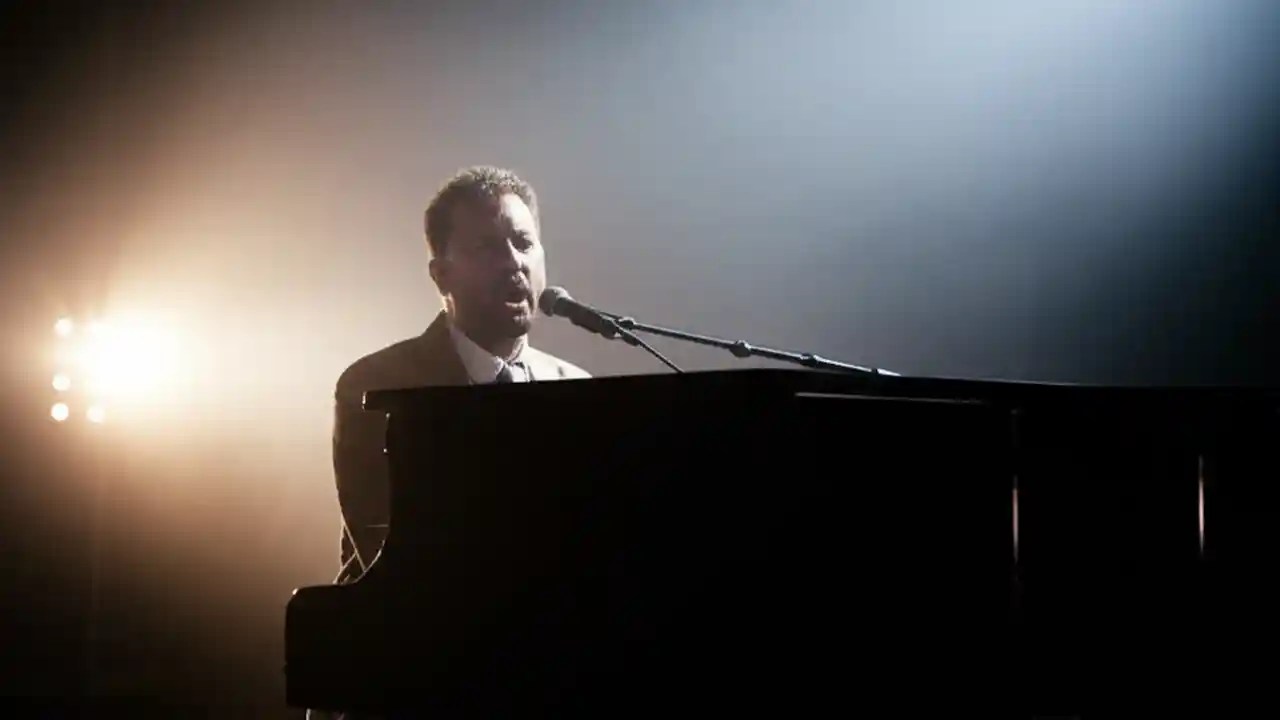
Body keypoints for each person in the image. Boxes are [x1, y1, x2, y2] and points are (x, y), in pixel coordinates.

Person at [330, 165, 591, 585]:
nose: (514, 262)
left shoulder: (577, 387)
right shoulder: (375, 386)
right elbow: (382, 545)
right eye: (487, 247)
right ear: (441, 275)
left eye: (524, 243)